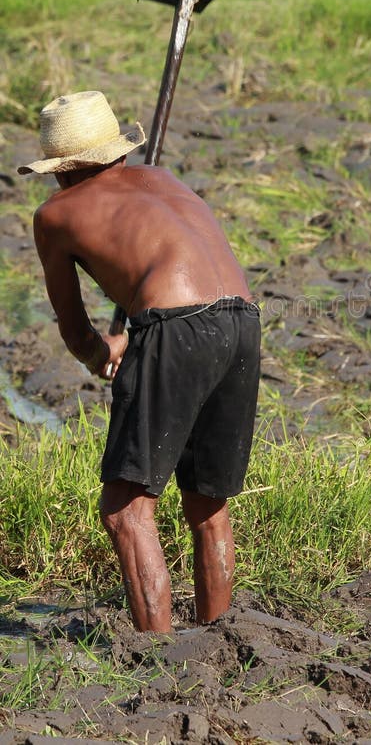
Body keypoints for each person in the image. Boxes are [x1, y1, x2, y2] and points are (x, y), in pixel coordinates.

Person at [18, 90, 261, 634]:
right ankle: (220, 639)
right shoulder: (166, 179)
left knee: (126, 510)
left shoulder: (55, 214)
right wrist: (139, 337)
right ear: (118, 152)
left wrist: (99, 353)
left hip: (175, 328)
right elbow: (181, 287)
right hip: (241, 318)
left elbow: (75, 325)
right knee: (207, 504)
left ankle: (157, 660)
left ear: (61, 171)